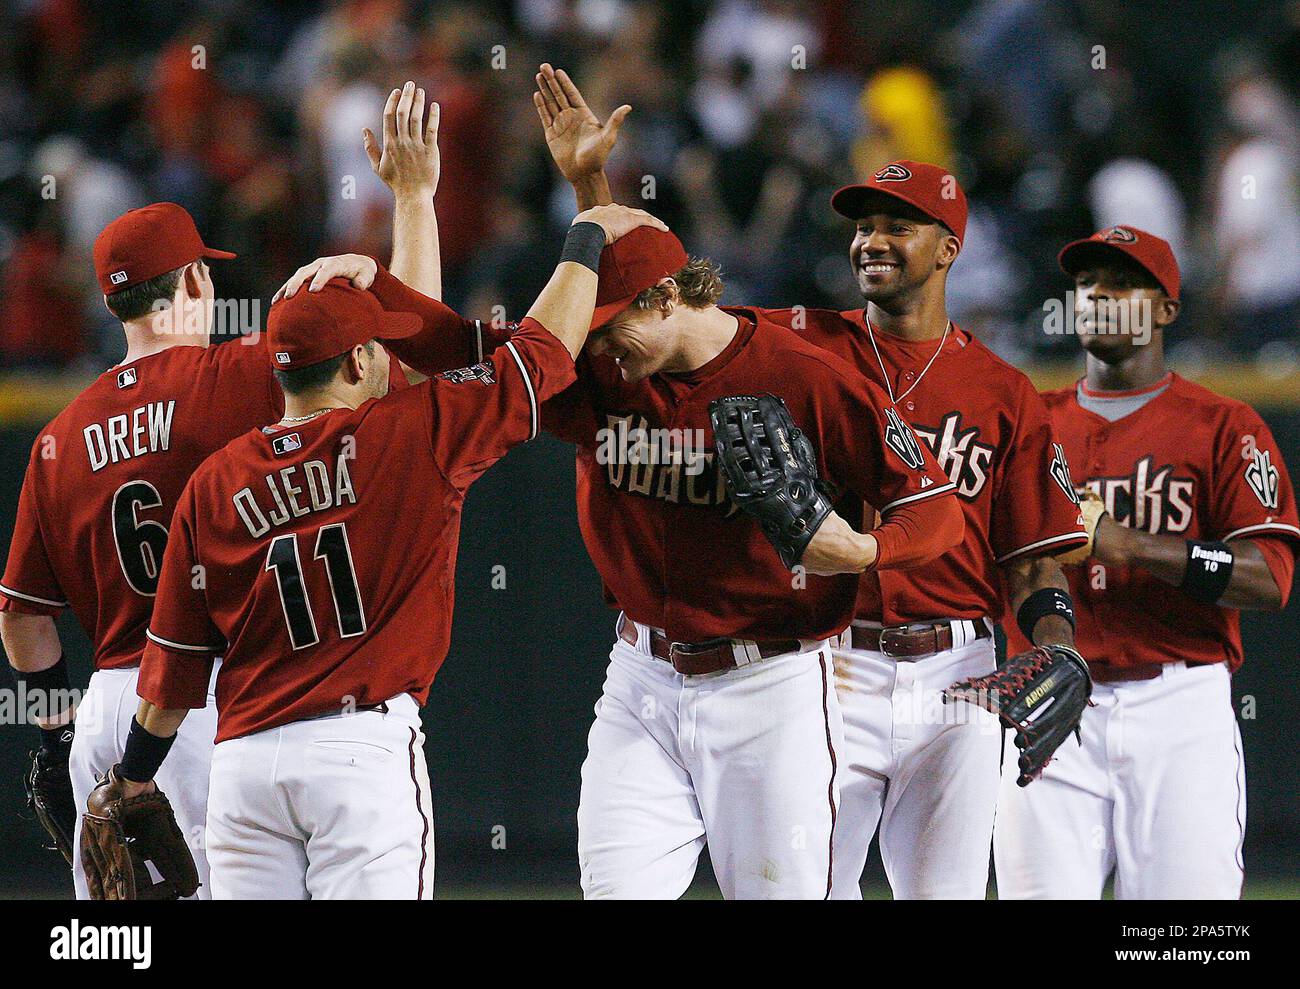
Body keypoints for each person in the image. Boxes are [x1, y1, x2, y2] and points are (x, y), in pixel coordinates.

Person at [535, 63, 1089, 899]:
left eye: (899, 226)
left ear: (949, 247)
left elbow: (1033, 558)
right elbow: (660, 304)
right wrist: (591, 185)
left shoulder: (1003, 391)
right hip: (830, 662)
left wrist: (1058, 644)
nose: (871, 239)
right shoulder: (803, 343)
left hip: (959, 670)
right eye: (864, 224)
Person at [85, 201, 664, 900]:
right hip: (357, 754)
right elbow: (542, 353)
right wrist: (586, 236)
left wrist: (134, 774)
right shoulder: (414, 432)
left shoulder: (214, 482)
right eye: (378, 345)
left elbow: (173, 668)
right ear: (360, 359)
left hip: (241, 766)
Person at [0, 81, 436, 899]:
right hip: (204, 701)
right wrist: (411, 207)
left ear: (114, 301)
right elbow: (400, 356)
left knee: (116, 941)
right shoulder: (235, 376)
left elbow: (23, 620)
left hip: (104, 710)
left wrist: (55, 737)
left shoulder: (57, 438)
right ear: (196, 285)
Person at [994, 225, 1299, 898]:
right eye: (1087, 282)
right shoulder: (1027, 426)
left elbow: (1268, 574)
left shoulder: (1225, 426)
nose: (1100, 294)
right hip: (1050, 703)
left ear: (1165, 307)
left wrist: (1130, 545)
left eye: (1123, 282)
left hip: (1180, 706)